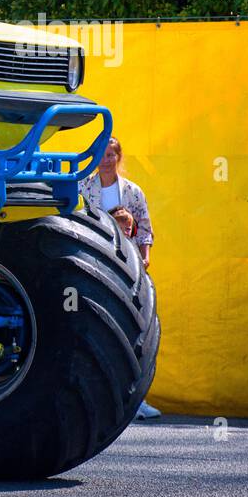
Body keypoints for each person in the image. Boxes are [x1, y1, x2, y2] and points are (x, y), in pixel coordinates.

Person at [79, 136, 160, 419]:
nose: (106, 160)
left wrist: (145, 255)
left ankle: (137, 401)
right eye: (101, 154)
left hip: (129, 268)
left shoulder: (133, 192)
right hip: (95, 265)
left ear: (119, 157)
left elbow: (145, 229)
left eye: (111, 154)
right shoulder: (83, 187)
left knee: (134, 332)